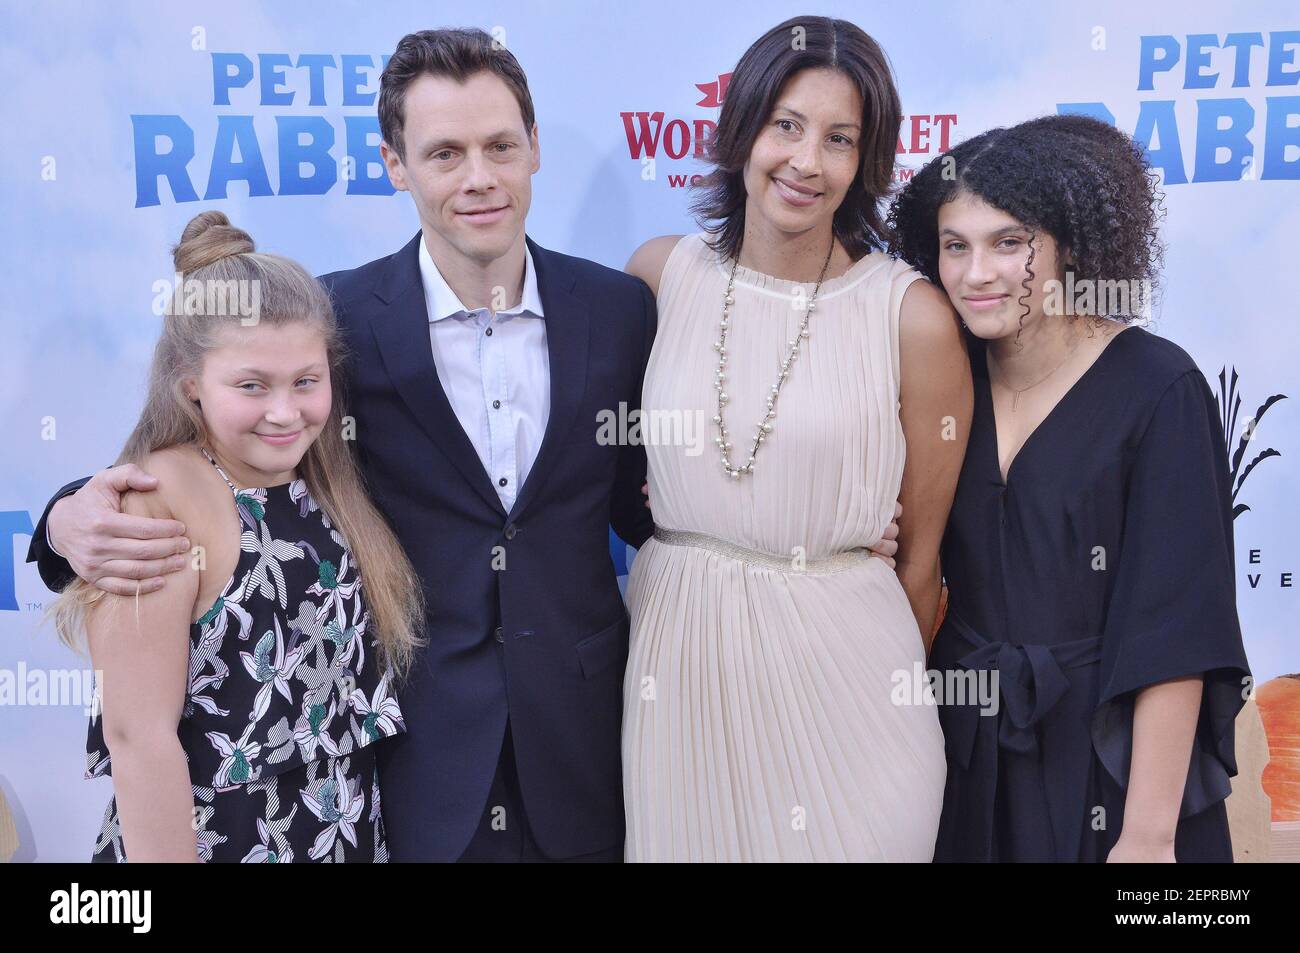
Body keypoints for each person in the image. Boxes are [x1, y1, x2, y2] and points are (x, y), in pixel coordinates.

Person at [620, 16, 971, 861]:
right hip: (682, 674)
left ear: (866, 161)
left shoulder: (911, 313)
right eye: (787, 125)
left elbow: (922, 559)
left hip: (852, 686)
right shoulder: (661, 275)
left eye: (840, 138)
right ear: (742, 128)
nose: (807, 161)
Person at [888, 113, 1252, 862]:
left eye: (1009, 243)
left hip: (1110, 761)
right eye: (956, 246)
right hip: (966, 756)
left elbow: (1177, 631)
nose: (975, 273)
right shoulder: (944, 375)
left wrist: (1147, 834)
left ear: (1071, 246)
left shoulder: (1160, 387)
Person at [50, 211, 423, 862]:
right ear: (192, 385)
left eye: (306, 381)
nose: (285, 411)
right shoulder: (155, 505)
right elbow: (139, 738)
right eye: (252, 385)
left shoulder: (328, 479)